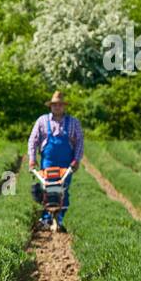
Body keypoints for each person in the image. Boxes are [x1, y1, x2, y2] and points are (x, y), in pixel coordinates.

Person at [27, 90, 84, 232]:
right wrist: (32, 159)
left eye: (59, 105)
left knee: (63, 190)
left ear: (64, 106)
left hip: (66, 163)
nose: (57, 107)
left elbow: (79, 142)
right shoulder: (42, 121)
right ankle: (46, 219)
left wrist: (76, 160)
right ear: (50, 106)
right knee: (48, 190)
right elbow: (33, 141)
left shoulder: (73, 122)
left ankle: (59, 219)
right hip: (48, 162)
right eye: (54, 105)